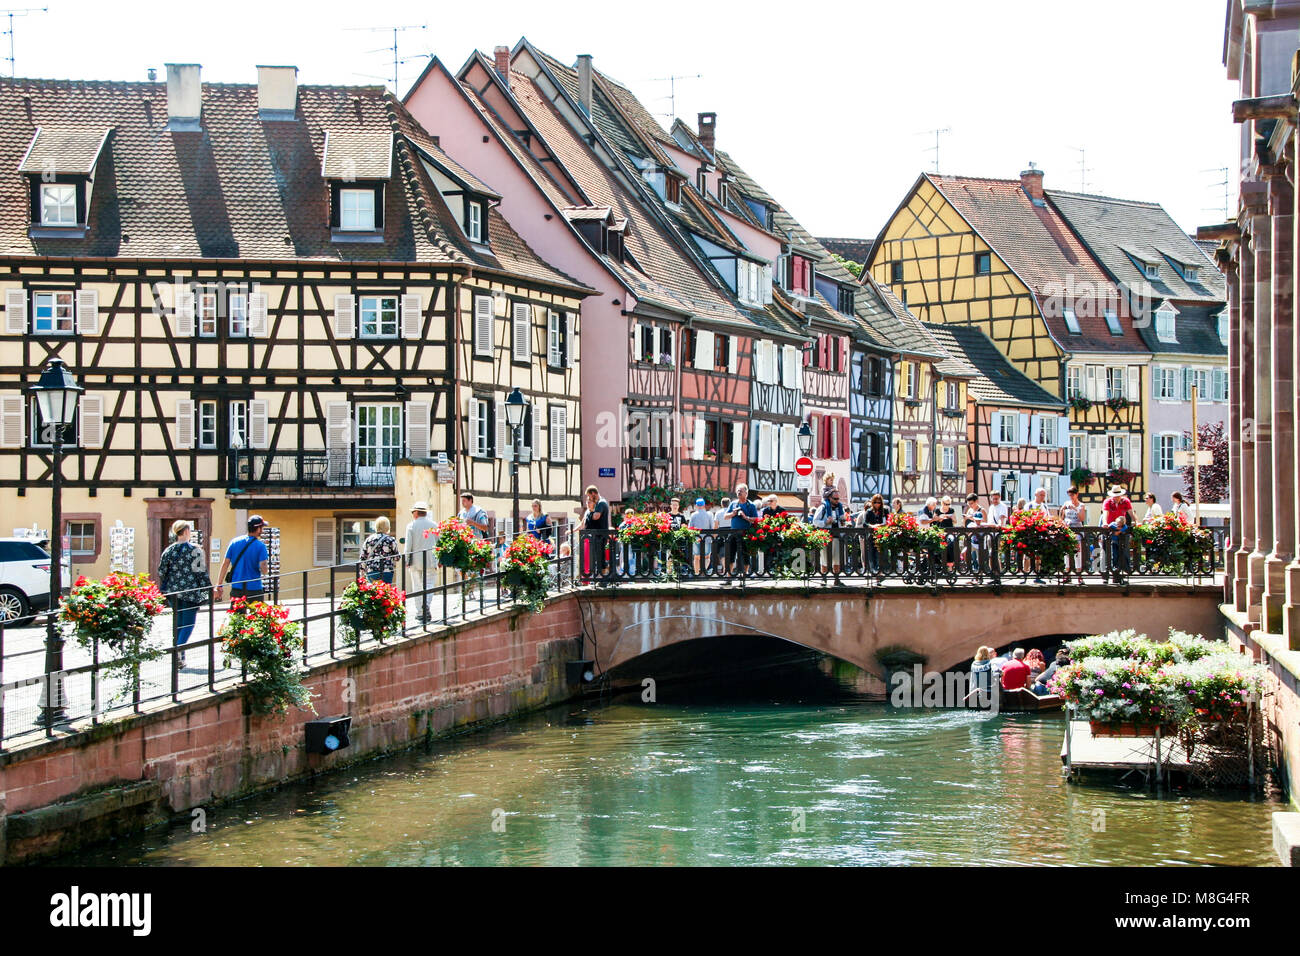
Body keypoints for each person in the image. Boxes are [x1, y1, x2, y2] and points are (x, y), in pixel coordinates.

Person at [157, 519, 212, 669]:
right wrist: (208, 590)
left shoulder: (168, 550)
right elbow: (201, 573)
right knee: (188, 623)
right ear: (187, 531)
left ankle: (179, 657)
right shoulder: (195, 550)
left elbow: (161, 571)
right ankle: (179, 650)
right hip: (190, 593)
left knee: (179, 624)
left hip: (173, 592)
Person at [214, 514, 270, 603]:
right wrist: (265, 570)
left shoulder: (234, 542)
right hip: (254, 588)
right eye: (262, 528)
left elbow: (225, 563)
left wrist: (219, 584)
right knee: (256, 611)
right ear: (258, 529)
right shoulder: (261, 546)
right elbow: (264, 568)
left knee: (237, 611)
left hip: (237, 587)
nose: (262, 530)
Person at [403, 500, 436, 623]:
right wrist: (439, 560)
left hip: (415, 561)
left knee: (417, 586)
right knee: (429, 584)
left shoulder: (411, 526)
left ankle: (420, 613)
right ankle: (426, 604)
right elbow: (439, 543)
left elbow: (408, 546)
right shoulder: (434, 525)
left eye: (413, 512)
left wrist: (407, 560)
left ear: (416, 512)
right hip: (431, 560)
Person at [720, 483, 758, 581]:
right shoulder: (733, 504)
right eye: (737, 491)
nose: (738, 492)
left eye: (741, 491)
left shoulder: (751, 505)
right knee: (731, 555)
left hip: (746, 533)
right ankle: (728, 577)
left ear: (746, 493)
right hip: (733, 533)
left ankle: (744, 575)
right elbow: (725, 516)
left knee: (746, 555)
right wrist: (733, 513)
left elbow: (755, 519)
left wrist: (745, 517)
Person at [578, 485, 611, 580]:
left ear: (593, 493)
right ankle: (600, 576)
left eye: (589, 495)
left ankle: (603, 577)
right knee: (598, 556)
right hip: (597, 534)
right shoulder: (599, 503)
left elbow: (596, 516)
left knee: (600, 556)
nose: (589, 498)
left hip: (601, 534)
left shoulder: (601, 503)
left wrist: (589, 515)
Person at [814, 488, 847, 575]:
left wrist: (844, 522)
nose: (837, 501)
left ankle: (836, 578)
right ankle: (824, 577)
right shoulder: (823, 508)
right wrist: (826, 522)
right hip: (826, 537)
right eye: (835, 499)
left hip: (837, 536)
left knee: (837, 559)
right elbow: (815, 521)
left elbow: (842, 522)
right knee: (825, 559)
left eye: (838, 499)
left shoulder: (840, 508)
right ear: (829, 498)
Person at [1058, 486, 1087, 583]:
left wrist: (1075, 509)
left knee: (1077, 552)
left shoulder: (1081, 505)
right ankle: (1067, 574)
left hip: (1077, 531)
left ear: (1077, 494)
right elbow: (1061, 518)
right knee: (1066, 553)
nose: (1071, 497)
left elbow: (1082, 519)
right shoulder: (1066, 503)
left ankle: (1079, 575)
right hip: (1068, 529)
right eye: (1069, 495)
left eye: (1072, 495)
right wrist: (1062, 510)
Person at [358, 515, 398, 584]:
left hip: (371, 570)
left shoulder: (369, 540)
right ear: (387, 526)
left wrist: (362, 571)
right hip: (386, 570)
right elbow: (397, 557)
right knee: (386, 589)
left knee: (373, 590)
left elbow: (363, 557)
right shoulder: (390, 540)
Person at [861, 494, 888, 574]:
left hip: (882, 535)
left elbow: (888, 521)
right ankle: (873, 571)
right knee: (872, 554)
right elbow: (865, 523)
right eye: (875, 502)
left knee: (881, 554)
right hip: (871, 536)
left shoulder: (885, 511)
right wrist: (872, 526)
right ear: (873, 502)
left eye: (879, 502)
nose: (877, 504)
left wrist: (881, 526)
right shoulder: (869, 511)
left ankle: (880, 572)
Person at [688, 497, 715, 575]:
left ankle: (697, 573)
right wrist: (713, 538)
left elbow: (690, 527)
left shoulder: (693, 515)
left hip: (696, 538)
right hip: (707, 538)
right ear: (704, 505)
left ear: (696, 505)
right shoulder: (709, 514)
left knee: (696, 557)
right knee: (707, 556)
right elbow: (712, 527)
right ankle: (703, 571)